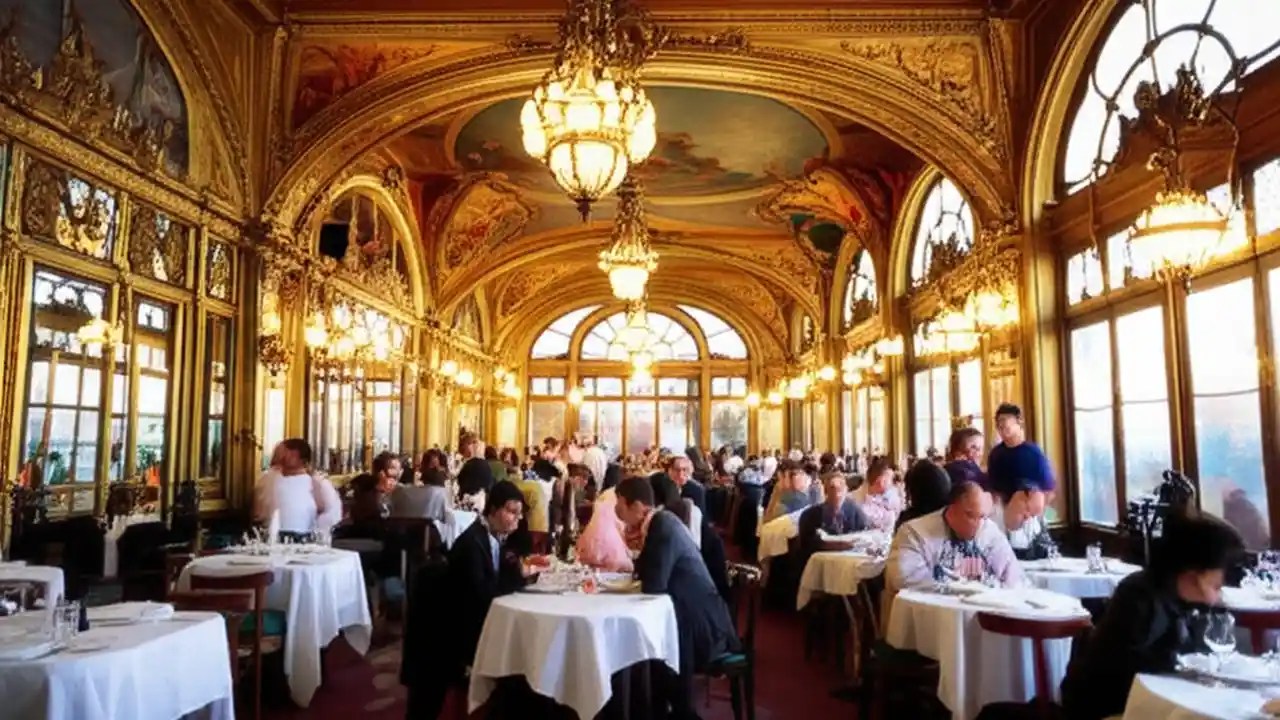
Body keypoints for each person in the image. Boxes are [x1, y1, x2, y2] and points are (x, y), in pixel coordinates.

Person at [1061, 513, 1244, 720]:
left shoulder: (1190, 603)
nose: (1219, 593)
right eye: (1217, 585)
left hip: (1155, 699)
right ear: (1193, 573)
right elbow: (1120, 670)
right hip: (1109, 708)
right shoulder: (1139, 597)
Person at [615, 476, 739, 720]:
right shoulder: (657, 523)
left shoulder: (663, 525)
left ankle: (671, 712)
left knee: (649, 652)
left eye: (619, 504)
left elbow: (654, 585)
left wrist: (636, 550)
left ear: (637, 506)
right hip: (689, 614)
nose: (616, 511)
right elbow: (645, 575)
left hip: (702, 626)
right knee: (647, 648)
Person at [886, 481, 1023, 601]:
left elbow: (1014, 579)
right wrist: (965, 593)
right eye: (970, 515)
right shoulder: (914, 533)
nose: (977, 525)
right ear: (952, 510)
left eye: (982, 517)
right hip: (935, 616)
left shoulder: (990, 532)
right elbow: (905, 582)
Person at [254, 438, 341, 535]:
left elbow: (330, 512)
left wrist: (318, 530)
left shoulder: (317, 482)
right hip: (271, 534)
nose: (284, 456)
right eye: (283, 452)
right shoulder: (269, 478)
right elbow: (259, 510)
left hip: (304, 535)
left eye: (291, 454)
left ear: (302, 459)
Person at [986, 403, 1054, 500]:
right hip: (1003, 506)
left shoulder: (1034, 453)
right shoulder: (995, 454)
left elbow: (1049, 490)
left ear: (1019, 422)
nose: (1001, 424)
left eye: (1006, 419)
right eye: (999, 422)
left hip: (1032, 504)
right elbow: (993, 489)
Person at [798, 471, 870, 559]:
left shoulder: (854, 510)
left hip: (850, 559)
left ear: (847, 490)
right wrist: (836, 546)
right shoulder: (809, 515)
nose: (837, 490)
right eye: (832, 487)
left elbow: (865, 533)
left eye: (841, 486)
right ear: (826, 491)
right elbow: (808, 545)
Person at [852, 457, 903, 531]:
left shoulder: (890, 494)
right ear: (881, 481)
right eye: (891, 479)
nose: (892, 483)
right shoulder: (856, 502)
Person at [456, 432, 494, 496]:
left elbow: (461, 482)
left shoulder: (474, 463)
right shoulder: (481, 462)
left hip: (473, 497)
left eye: (472, 443)